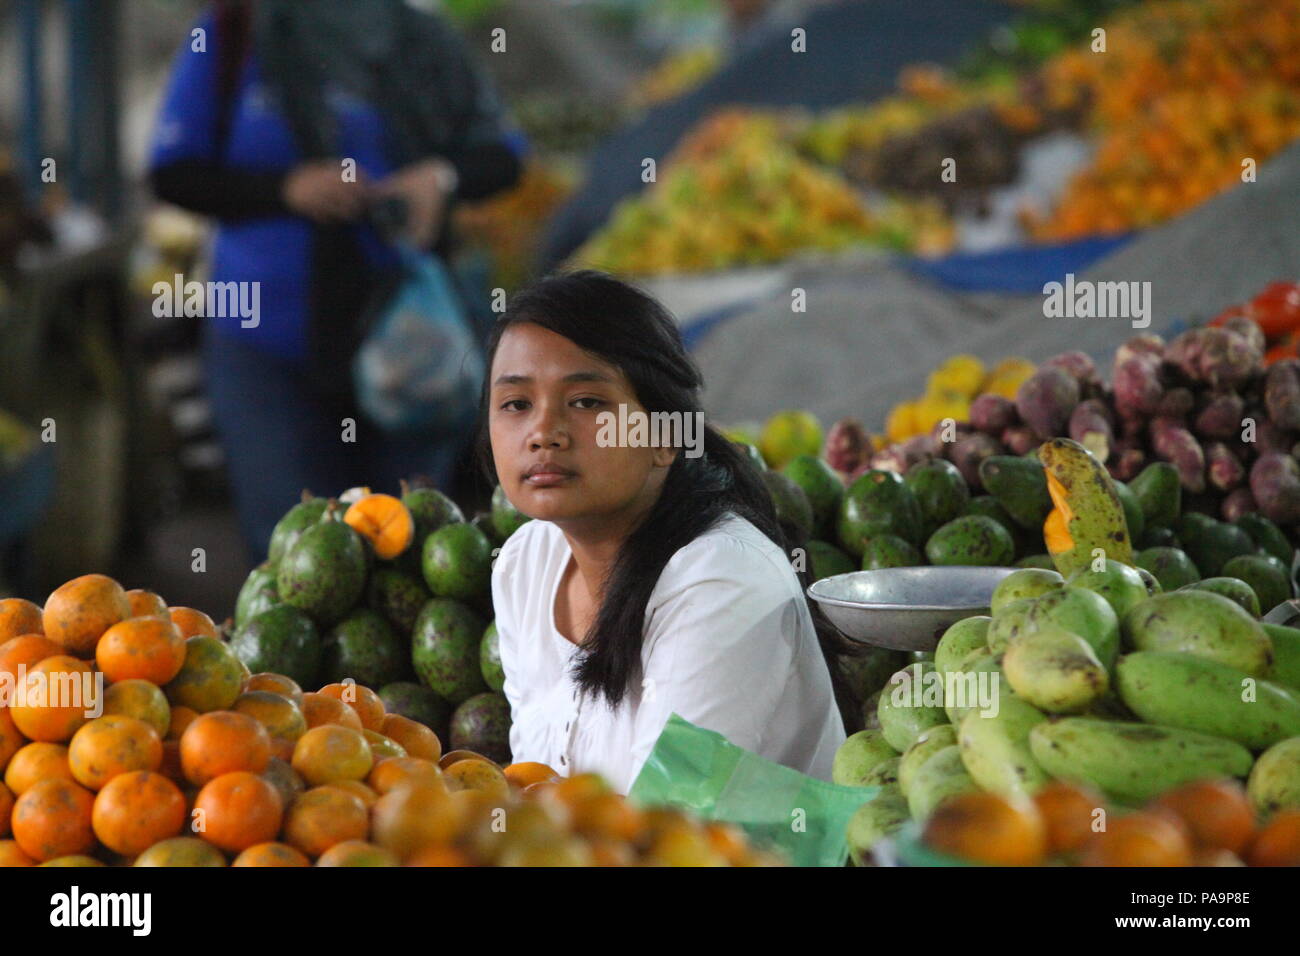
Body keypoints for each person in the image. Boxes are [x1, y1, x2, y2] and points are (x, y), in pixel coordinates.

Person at [148, 0, 524, 560]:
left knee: (408, 551)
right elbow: (174, 172)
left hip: (408, 345)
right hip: (267, 344)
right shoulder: (233, 32)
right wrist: (284, 189)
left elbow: (504, 155)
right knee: (295, 554)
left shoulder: (420, 38)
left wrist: (440, 177)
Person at [482, 271, 854, 794]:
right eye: (516, 404)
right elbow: (538, 787)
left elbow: (666, 833)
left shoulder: (722, 581)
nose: (544, 432)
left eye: (587, 402)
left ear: (665, 436)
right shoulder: (524, 563)